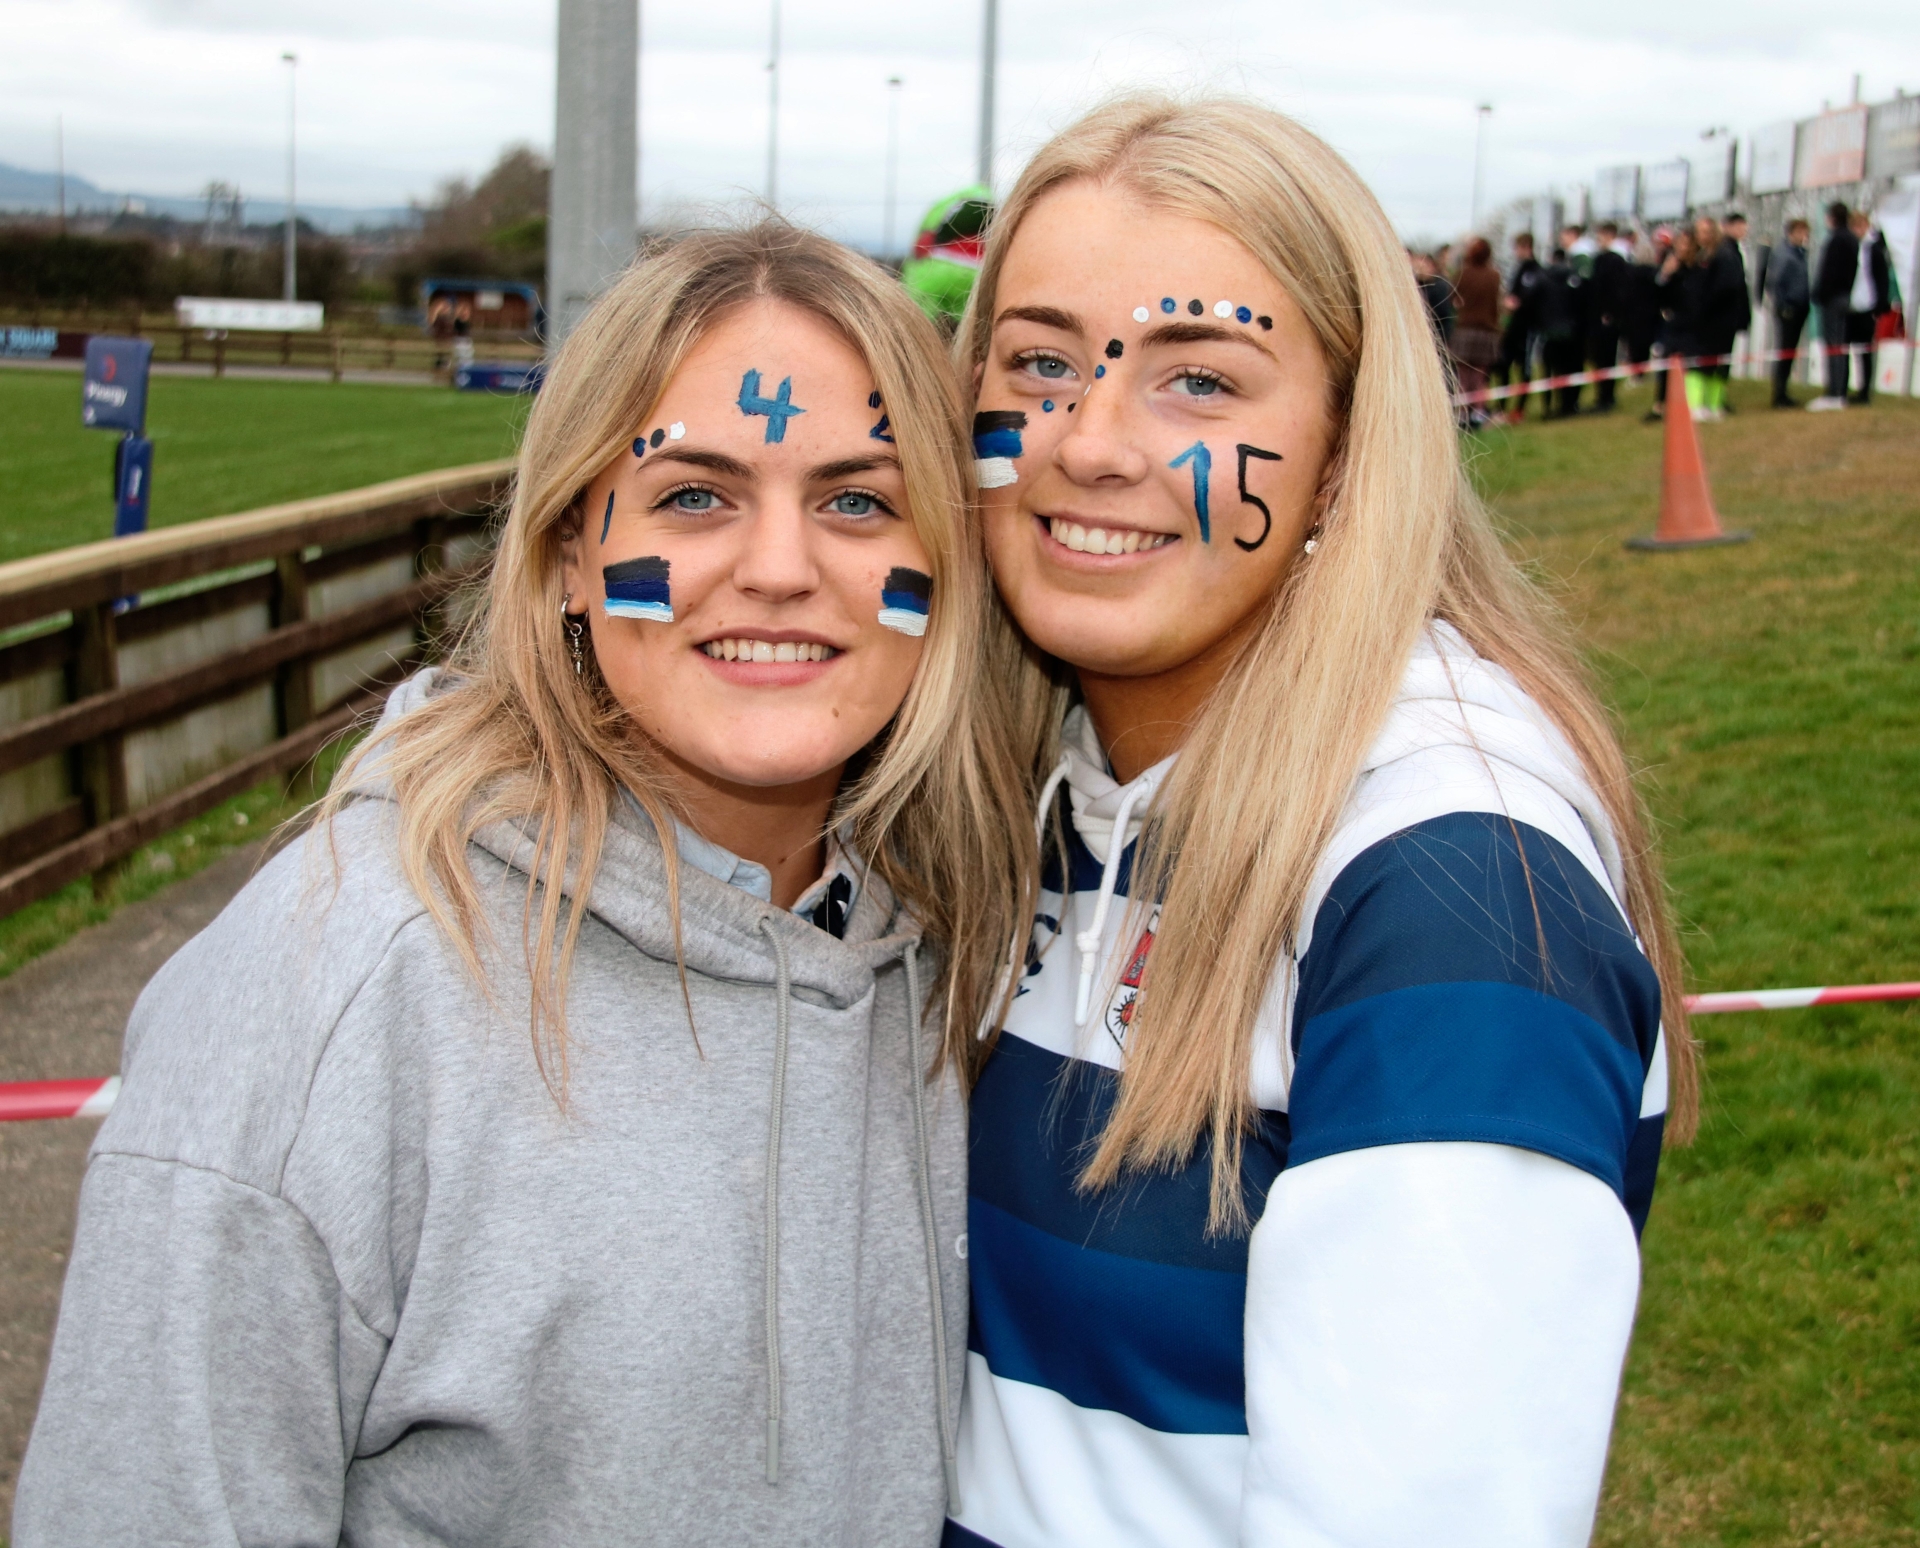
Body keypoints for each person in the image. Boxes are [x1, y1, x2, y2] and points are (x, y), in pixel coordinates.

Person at [15, 223, 1032, 1545]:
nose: (782, 567)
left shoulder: (960, 950)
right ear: (563, 553)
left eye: (857, 500)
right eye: (694, 496)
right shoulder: (339, 976)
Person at [948, 92, 1693, 1547]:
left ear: (1348, 456)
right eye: (1039, 362)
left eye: (1201, 382)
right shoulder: (1054, 770)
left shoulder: (1457, 890)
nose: (1089, 442)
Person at [1810, 201, 1859, 411]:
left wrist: (1820, 293)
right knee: (1839, 345)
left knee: (1834, 345)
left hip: (1834, 298)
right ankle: (1839, 391)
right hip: (1844, 296)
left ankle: (1835, 393)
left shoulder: (1838, 239)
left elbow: (1830, 272)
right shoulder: (1851, 238)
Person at [1450, 237, 1503, 425]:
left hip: (1465, 329)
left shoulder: (1462, 274)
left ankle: (1463, 412)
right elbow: (1498, 304)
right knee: (1480, 376)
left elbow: (1451, 298)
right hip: (1487, 331)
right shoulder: (1494, 276)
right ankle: (1479, 412)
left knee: (1463, 376)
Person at [1496, 230, 1544, 422]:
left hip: (1528, 328)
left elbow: (1527, 299)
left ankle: (1519, 409)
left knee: (1524, 368)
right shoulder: (1519, 269)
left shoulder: (1535, 271)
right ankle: (1500, 407)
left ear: (1526, 247)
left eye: (1517, 248)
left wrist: (1515, 303)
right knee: (1503, 365)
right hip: (1513, 328)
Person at [1764, 217, 1812, 408]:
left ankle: (1784, 392)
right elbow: (1774, 282)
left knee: (1790, 352)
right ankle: (1779, 394)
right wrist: (1783, 305)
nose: (1803, 236)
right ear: (1791, 233)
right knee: (1784, 351)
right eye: (1800, 232)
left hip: (1800, 308)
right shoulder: (1784, 254)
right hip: (1788, 310)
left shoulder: (1800, 254)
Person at [1845, 209, 1891, 406]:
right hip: (1849, 306)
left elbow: (1882, 278)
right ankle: (1843, 387)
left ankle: (1865, 391)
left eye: (1861, 226)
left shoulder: (1873, 249)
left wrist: (1880, 305)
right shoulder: (1847, 248)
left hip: (1867, 306)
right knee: (1844, 349)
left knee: (1865, 350)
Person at [1538, 245, 1588, 416]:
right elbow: (1582, 303)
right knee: (1572, 370)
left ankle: (1548, 407)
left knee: (1549, 372)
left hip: (1550, 332)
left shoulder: (1543, 278)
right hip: (1572, 332)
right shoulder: (1574, 277)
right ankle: (1570, 404)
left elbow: (1535, 303)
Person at [1587, 220, 1628, 410]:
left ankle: (1607, 396)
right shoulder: (1599, 259)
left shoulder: (1615, 260)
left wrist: (1610, 314)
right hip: (1597, 318)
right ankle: (1601, 395)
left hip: (1608, 319)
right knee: (1599, 358)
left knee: (1607, 358)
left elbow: (1618, 291)